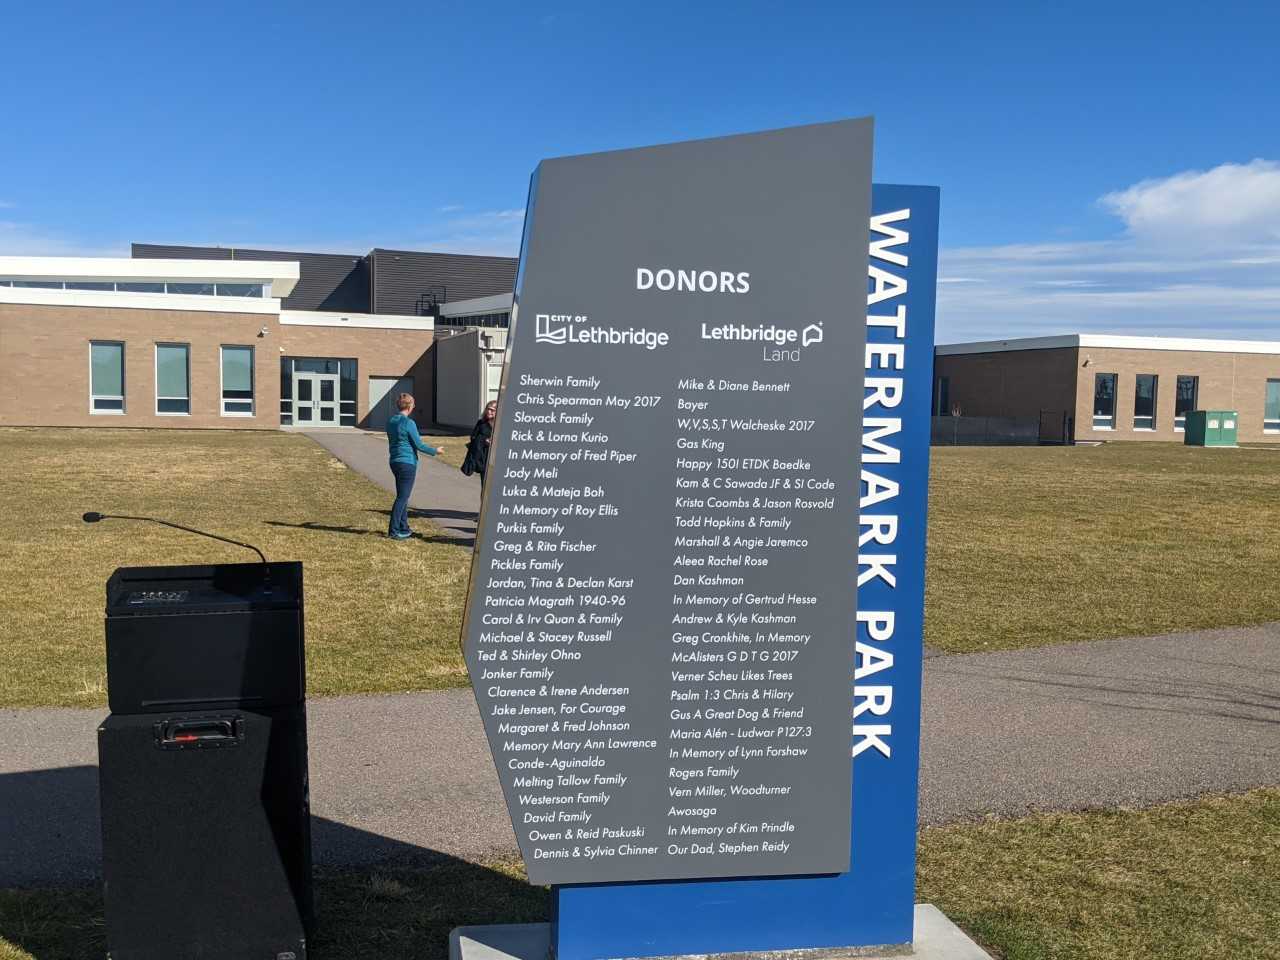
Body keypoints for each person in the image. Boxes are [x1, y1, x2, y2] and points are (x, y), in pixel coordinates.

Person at [385, 393, 442, 540]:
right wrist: (435, 451)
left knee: (402, 496)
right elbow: (419, 445)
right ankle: (393, 530)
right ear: (410, 406)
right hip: (407, 462)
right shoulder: (409, 423)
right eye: (413, 404)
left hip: (394, 461)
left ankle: (404, 528)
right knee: (402, 497)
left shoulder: (391, 421)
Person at [464, 400, 497, 485]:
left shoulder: (500, 424)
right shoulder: (481, 423)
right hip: (483, 458)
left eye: (492, 410)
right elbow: (473, 437)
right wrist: (484, 440)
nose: (489, 412)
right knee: (485, 484)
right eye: (488, 409)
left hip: (496, 459)